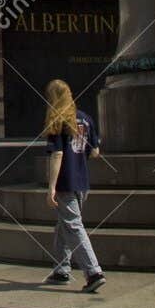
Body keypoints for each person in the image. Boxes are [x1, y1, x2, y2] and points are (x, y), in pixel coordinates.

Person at [41, 79, 104, 292]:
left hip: (65, 182)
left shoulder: (56, 122)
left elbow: (57, 154)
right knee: (64, 225)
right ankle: (61, 269)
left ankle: (93, 272)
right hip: (82, 182)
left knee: (73, 226)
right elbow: (95, 152)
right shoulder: (85, 119)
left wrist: (51, 187)